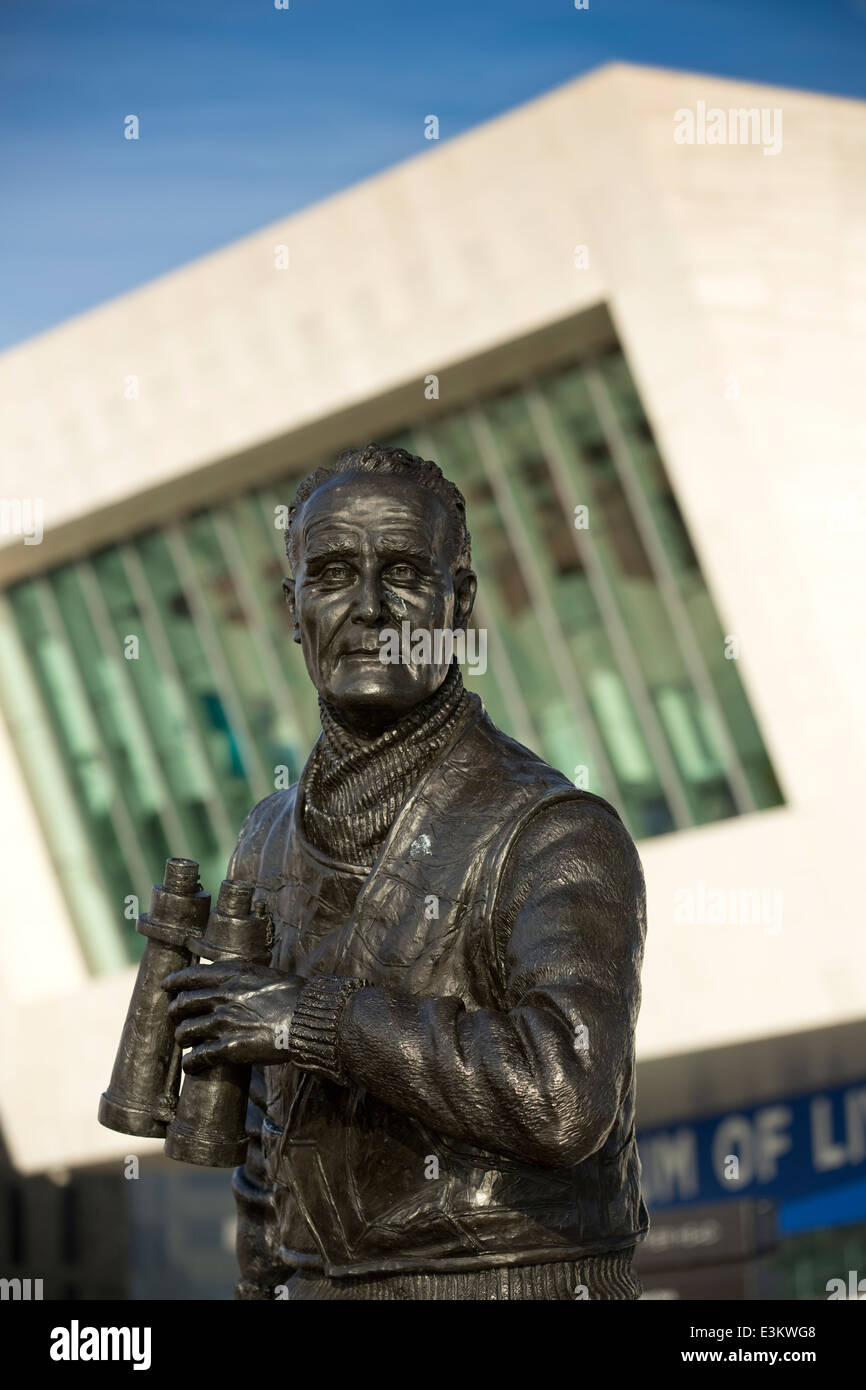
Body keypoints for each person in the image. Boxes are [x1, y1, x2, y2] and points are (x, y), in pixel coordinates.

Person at [164, 442, 648, 1300]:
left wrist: (308, 1018)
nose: (371, 608)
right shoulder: (264, 838)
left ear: (458, 604)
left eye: (405, 574)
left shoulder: (555, 831)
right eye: (334, 573)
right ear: (293, 609)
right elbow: (267, 1137)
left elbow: (563, 1095)